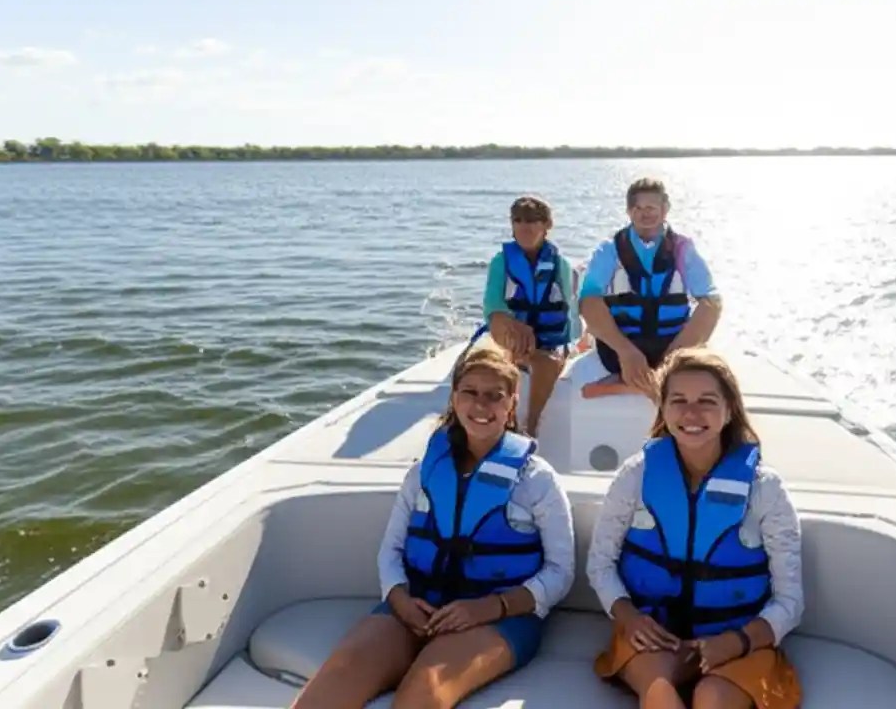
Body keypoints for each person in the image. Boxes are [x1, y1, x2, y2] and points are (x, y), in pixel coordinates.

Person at [292, 344, 576, 709]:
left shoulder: (538, 480)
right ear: (454, 399)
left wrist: (490, 608)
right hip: (415, 607)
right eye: (470, 393)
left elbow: (560, 572)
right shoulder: (422, 472)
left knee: (425, 688)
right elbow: (391, 550)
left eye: (495, 397)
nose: (480, 405)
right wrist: (399, 599)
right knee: (334, 679)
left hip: (502, 618)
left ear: (511, 406)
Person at [586, 347, 804, 709]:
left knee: (711, 698)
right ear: (664, 408)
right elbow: (600, 564)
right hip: (653, 636)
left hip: (740, 641)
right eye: (678, 400)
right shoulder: (636, 475)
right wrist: (630, 618)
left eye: (707, 401)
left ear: (729, 409)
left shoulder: (765, 489)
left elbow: (790, 602)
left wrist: (735, 642)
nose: (691, 413)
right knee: (657, 688)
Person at [578, 178, 722, 399]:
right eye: (638, 208)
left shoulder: (683, 249)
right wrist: (626, 351)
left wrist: (675, 356)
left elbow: (711, 302)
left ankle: (621, 386)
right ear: (628, 211)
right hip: (621, 346)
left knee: (692, 375)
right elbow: (588, 302)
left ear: (665, 209)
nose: (645, 214)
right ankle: (643, 383)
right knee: (675, 384)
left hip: (673, 344)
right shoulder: (609, 250)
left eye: (652, 207)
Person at [483, 195, 583, 435]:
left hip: (547, 341)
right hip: (509, 330)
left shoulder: (560, 264)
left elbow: (570, 310)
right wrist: (516, 325)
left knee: (546, 363)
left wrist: (576, 343)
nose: (524, 227)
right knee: (509, 335)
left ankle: (530, 424)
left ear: (546, 225)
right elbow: (492, 304)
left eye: (532, 220)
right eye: (517, 220)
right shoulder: (501, 262)